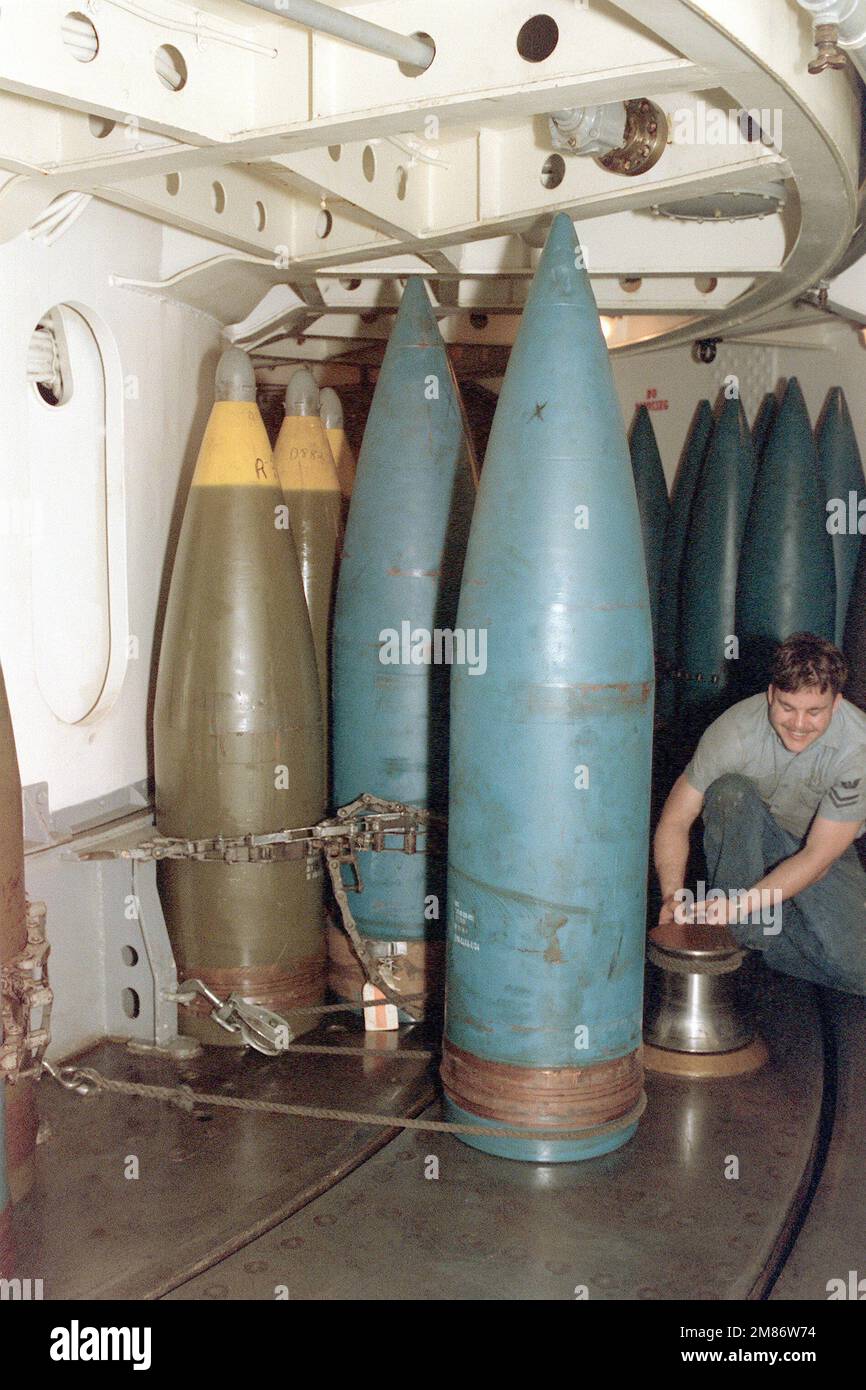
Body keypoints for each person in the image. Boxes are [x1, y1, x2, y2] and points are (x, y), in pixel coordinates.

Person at [654, 632, 866, 994]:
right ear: (770, 694)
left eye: (814, 711)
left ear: (836, 704)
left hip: (820, 848)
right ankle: (738, 937)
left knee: (858, 972)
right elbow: (675, 820)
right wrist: (672, 896)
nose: (798, 723)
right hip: (754, 834)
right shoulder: (733, 732)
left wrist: (737, 907)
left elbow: (817, 859)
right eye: (787, 707)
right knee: (730, 792)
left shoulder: (857, 746)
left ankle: (758, 935)